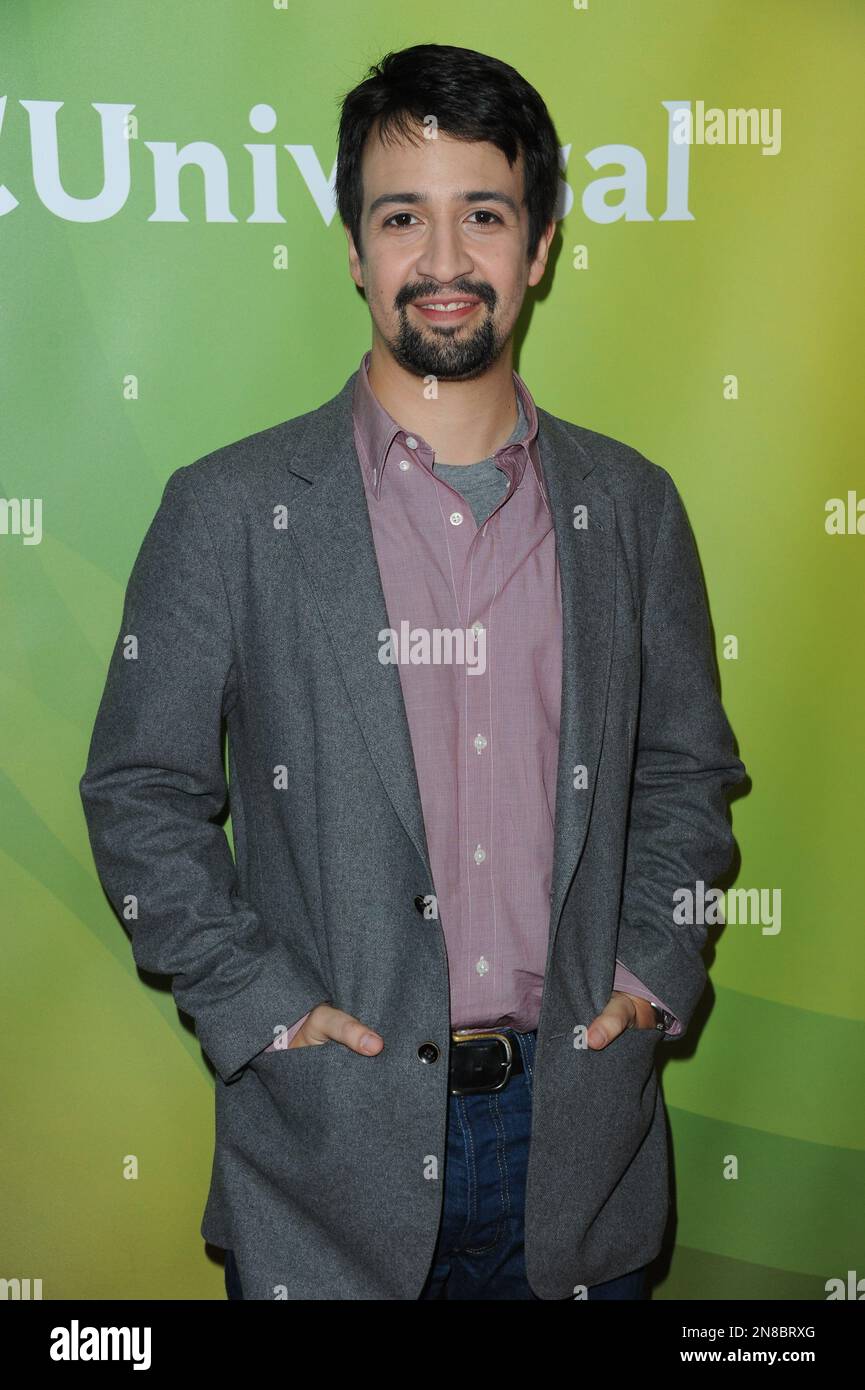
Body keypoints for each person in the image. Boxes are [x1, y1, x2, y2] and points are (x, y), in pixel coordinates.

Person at [79, 43, 747, 1301]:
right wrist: (263, 1008)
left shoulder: (635, 508)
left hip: (583, 1161)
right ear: (352, 248)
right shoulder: (227, 511)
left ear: (539, 245)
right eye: (402, 217)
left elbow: (687, 774)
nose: (443, 263)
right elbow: (139, 792)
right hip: (325, 1171)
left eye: (482, 214)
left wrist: (653, 975)